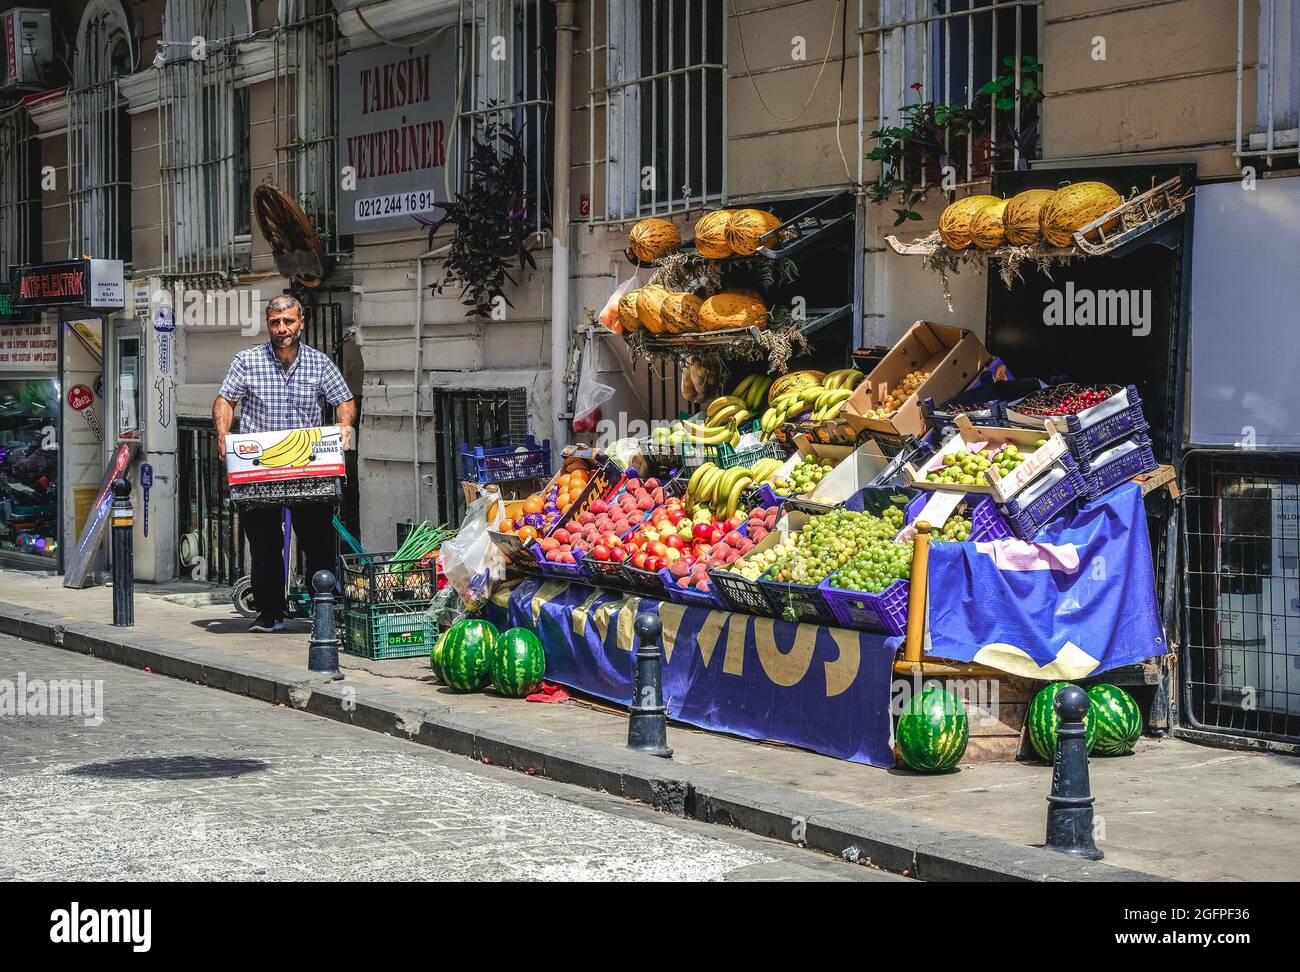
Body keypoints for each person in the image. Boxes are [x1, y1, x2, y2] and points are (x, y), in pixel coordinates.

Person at [214, 295, 358, 633]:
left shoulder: (319, 364)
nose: (282, 329)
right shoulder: (246, 361)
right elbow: (225, 400)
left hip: (308, 467)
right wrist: (223, 432)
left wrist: (344, 424)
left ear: (301, 322)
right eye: (276, 323)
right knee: (264, 544)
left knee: (317, 541)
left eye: (289, 322)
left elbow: (344, 400)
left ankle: (323, 612)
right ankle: (269, 614)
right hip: (258, 468)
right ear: (268, 324)